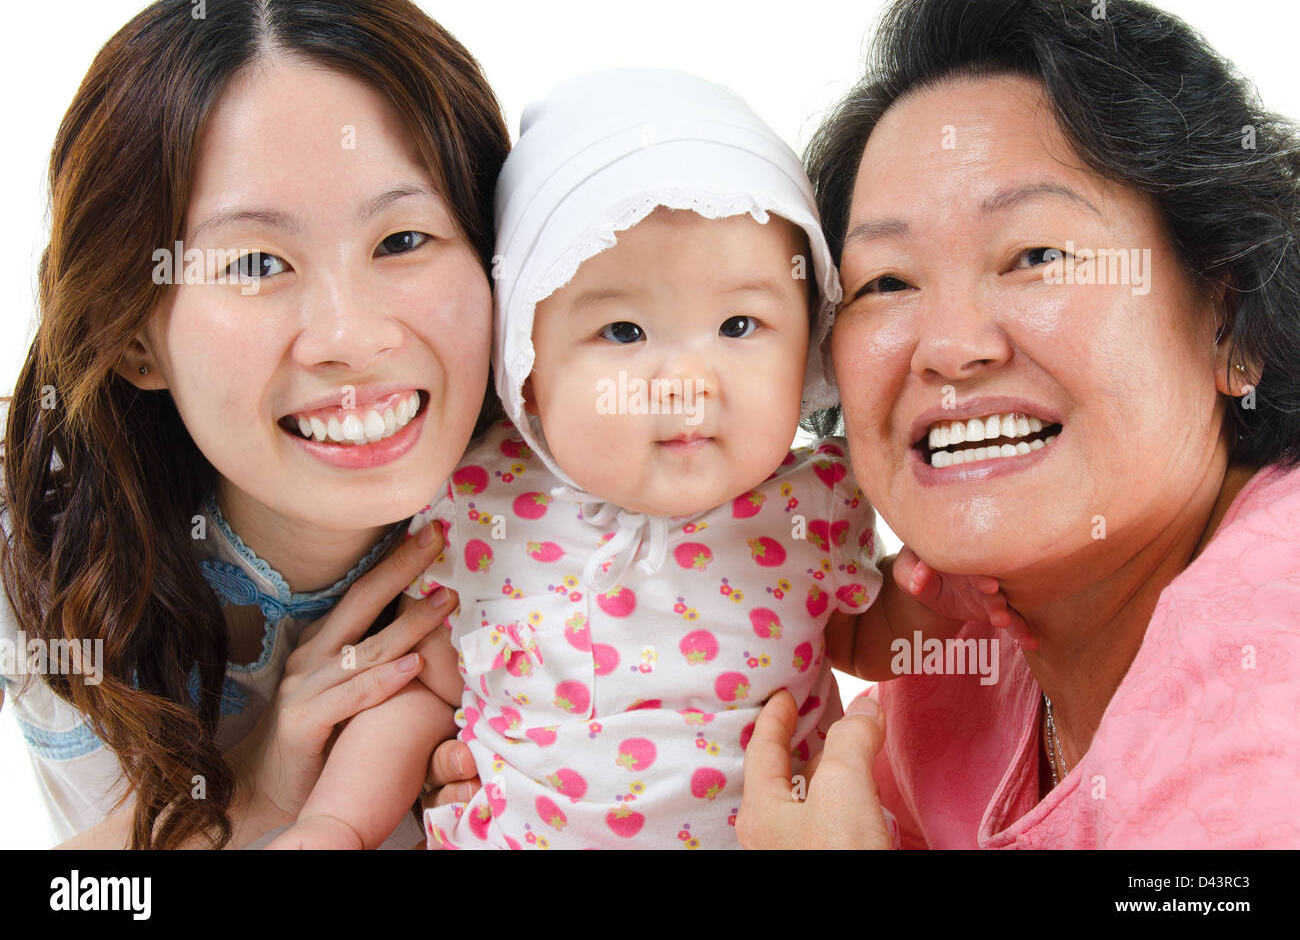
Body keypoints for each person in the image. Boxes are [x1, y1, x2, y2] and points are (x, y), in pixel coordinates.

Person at [271, 68, 1020, 850]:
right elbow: (425, 688)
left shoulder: (817, 503)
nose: (689, 381)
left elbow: (860, 643)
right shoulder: (477, 499)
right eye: (624, 333)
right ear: (526, 375)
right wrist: (339, 823)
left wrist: (939, 606)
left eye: (739, 325)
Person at [736, 0, 1300, 848]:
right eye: (885, 282)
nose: (952, 346)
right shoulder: (959, 645)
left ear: (1232, 322)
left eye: (1035, 255)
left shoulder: (1276, 671)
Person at [0, 0, 509, 848]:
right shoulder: (35, 536)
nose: (350, 336)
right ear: (131, 336)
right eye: (255, 264)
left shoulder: (598, 516)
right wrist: (256, 795)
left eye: (403, 239)